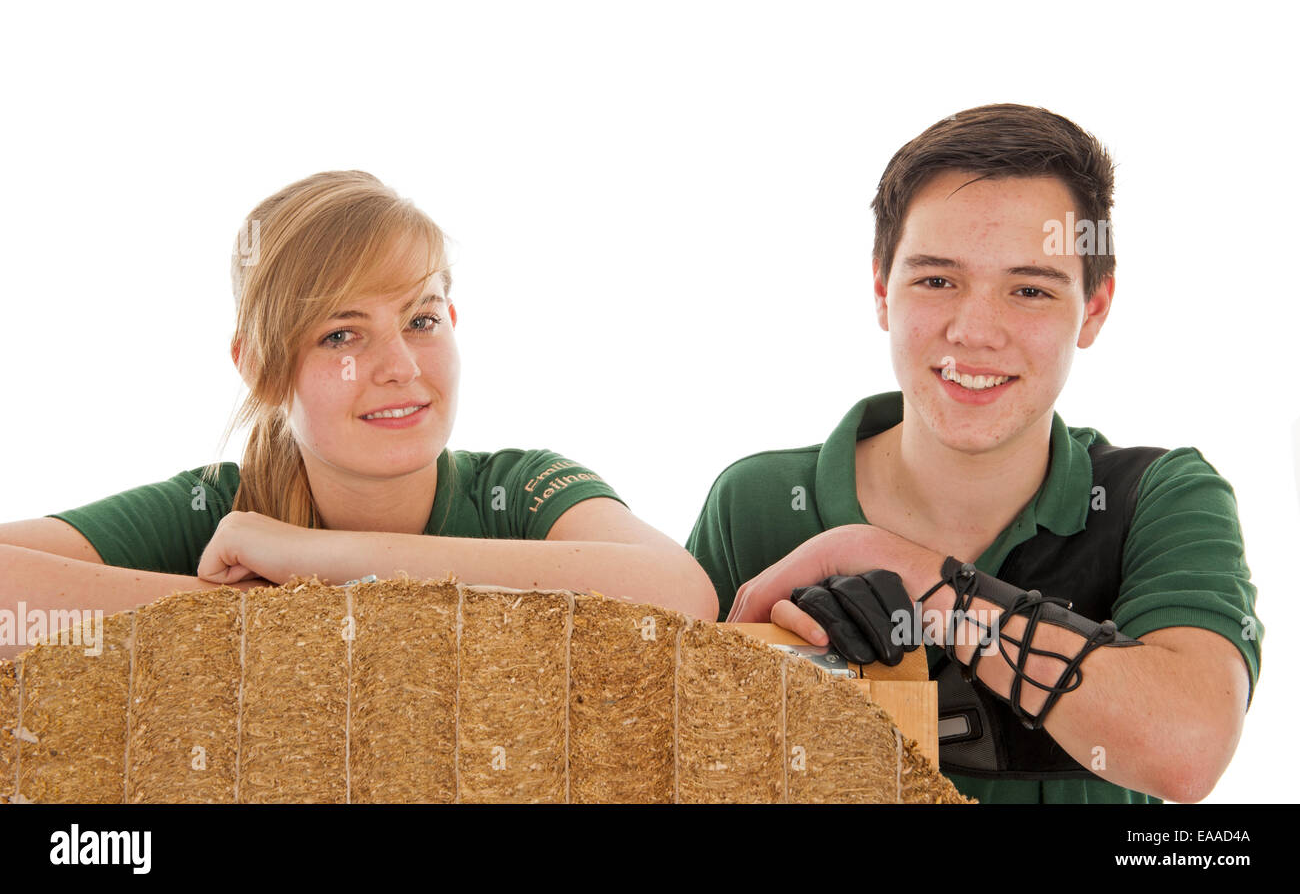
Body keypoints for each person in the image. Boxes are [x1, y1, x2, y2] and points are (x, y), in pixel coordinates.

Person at [686, 105, 1261, 804]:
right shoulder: (758, 503)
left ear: (1095, 308)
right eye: (936, 279)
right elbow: (668, 762)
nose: (975, 331)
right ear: (881, 291)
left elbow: (1185, 750)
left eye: (1030, 289)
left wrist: (901, 569)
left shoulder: (1161, 499)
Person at [0, 170, 717, 660]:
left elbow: (683, 596)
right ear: (259, 366)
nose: (399, 365)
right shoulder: (212, 507)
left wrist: (312, 562)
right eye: (341, 334)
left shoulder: (525, 489)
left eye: (422, 319)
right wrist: (278, 616)